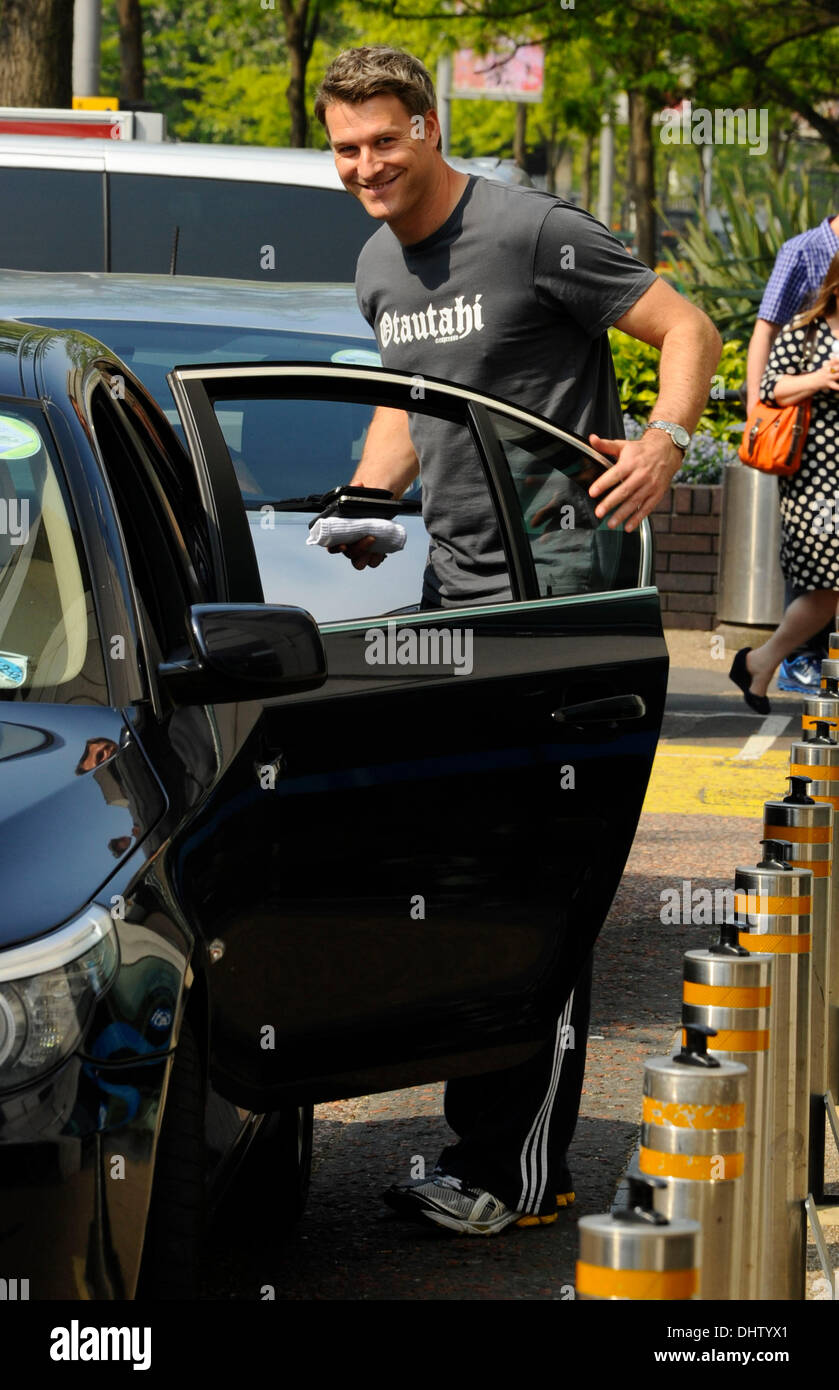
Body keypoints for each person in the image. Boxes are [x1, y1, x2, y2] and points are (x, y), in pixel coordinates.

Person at [314, 45, 722, 1235]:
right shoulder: (377, 266)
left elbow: (683, 326)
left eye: (383, 141)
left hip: (563, 608)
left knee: (541, 880)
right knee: (473, 872)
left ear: (428, 126)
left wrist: (663, 441)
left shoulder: (532, 229)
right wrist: (363, 500)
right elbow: (408, 400)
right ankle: (486, 1149)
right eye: (344, 149)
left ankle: (516, 1172)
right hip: (460, 598)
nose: (365, 166)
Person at [730, 250, 839, 713]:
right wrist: (819, 378)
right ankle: (765, 662)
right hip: (814, 474)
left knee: (830, 589)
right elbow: (771, 388)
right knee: (827, 583)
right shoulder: (806, 330)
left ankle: (760, 662)